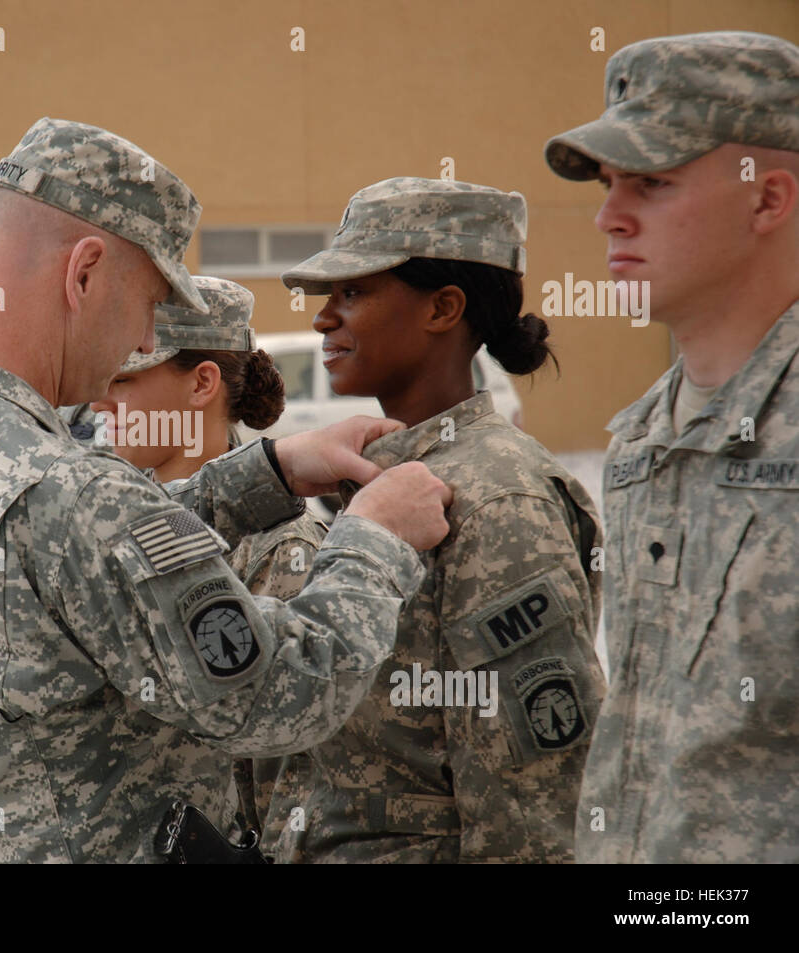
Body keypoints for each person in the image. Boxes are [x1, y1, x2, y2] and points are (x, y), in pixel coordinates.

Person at [0, 116, 453, 863]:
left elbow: (76, 574)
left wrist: (267, 473)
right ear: (83, 271)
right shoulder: (66, 490)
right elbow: (279, 695)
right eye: (149, 301)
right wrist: (375, 541)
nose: (143, 336)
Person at [267, 177, 606, 862]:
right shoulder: (373, 475)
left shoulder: (500, 497)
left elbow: (532, 805)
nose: (323, 318)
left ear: (443, 307)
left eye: (353, 293)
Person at [544, 30, 799, 863]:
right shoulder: (643, 438)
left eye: (652, 183)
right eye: (612, 183)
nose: (608, 215)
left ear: (767, 200)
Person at [90, 274, 327, 835]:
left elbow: (286, 789)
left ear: (201, 384)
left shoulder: (280, 550)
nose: (101, 400)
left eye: (123, 378)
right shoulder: (104, 517)